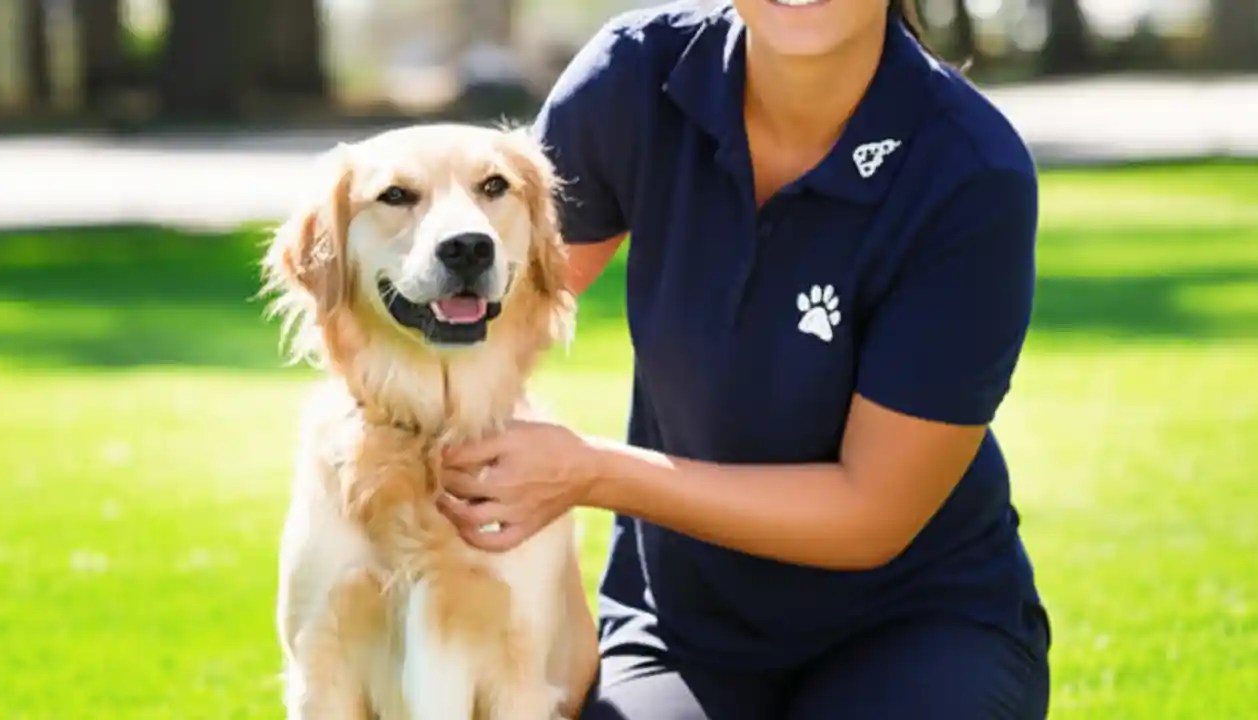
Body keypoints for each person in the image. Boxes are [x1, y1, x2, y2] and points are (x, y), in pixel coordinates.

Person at [436, 0, 1052, 716]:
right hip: (681, 628)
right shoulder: (635, 75)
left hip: (921, 624)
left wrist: (592, 471)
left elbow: (870, 514)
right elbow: (491, 317)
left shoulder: (971, 172)